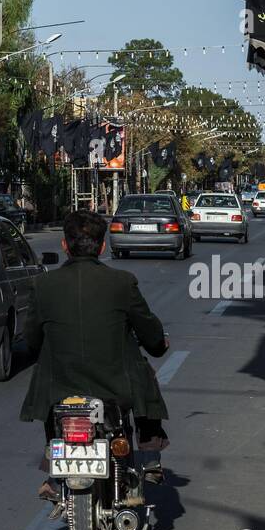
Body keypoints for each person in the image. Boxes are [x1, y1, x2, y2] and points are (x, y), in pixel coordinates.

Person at [20, 210, 170, 502]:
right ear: (102, 247)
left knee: (48, 395)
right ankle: (150, 456)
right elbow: (150, 332)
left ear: (65, 245)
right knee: (146, 374)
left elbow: (31, 340)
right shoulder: (122, 282)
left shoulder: (43, 285)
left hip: (60, 385)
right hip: (116, 388)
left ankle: (54, 468)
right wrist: (158, 345)